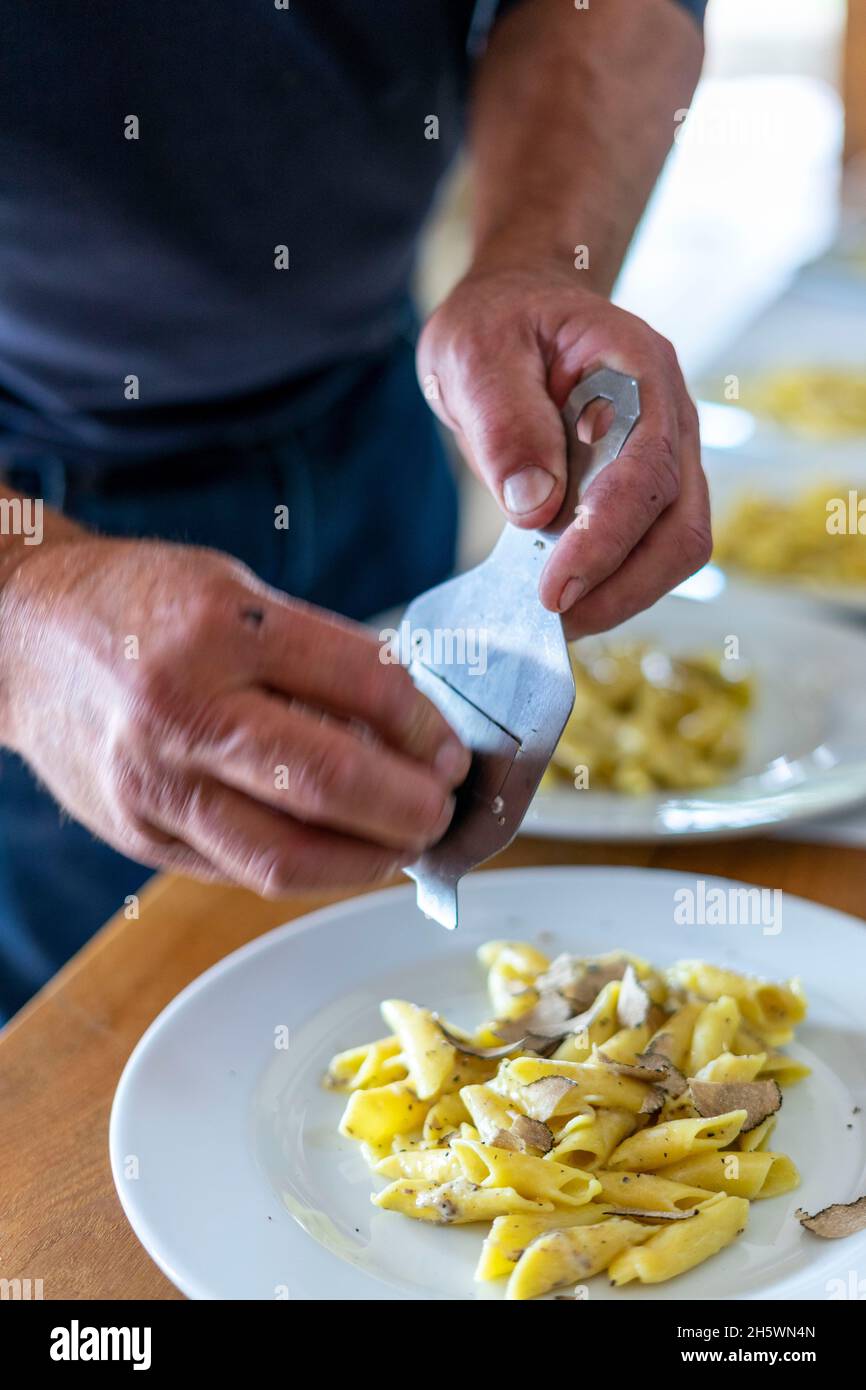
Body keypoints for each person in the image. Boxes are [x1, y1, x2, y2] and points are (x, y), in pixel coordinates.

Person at [0, 0, 711, 1022]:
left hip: (374, 424)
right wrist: (21, 616)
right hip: (37, 502)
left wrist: (538, 262)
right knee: (85, 1052)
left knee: (379, 997)